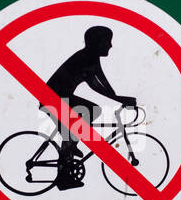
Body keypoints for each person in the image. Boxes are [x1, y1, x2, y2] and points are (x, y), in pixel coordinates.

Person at [43, 25, 136, 190]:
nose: (111, 45)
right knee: (91, 112)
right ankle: (64, 175)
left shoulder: (91, 57)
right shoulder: (85, 57)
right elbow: (94, 85)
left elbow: (103, 81)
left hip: (58, 98)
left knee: (82, 120)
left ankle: (70, 148)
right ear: (97, 43)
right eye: (108, 41)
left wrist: (119, 97)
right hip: (53, 99)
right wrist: (120, 99)